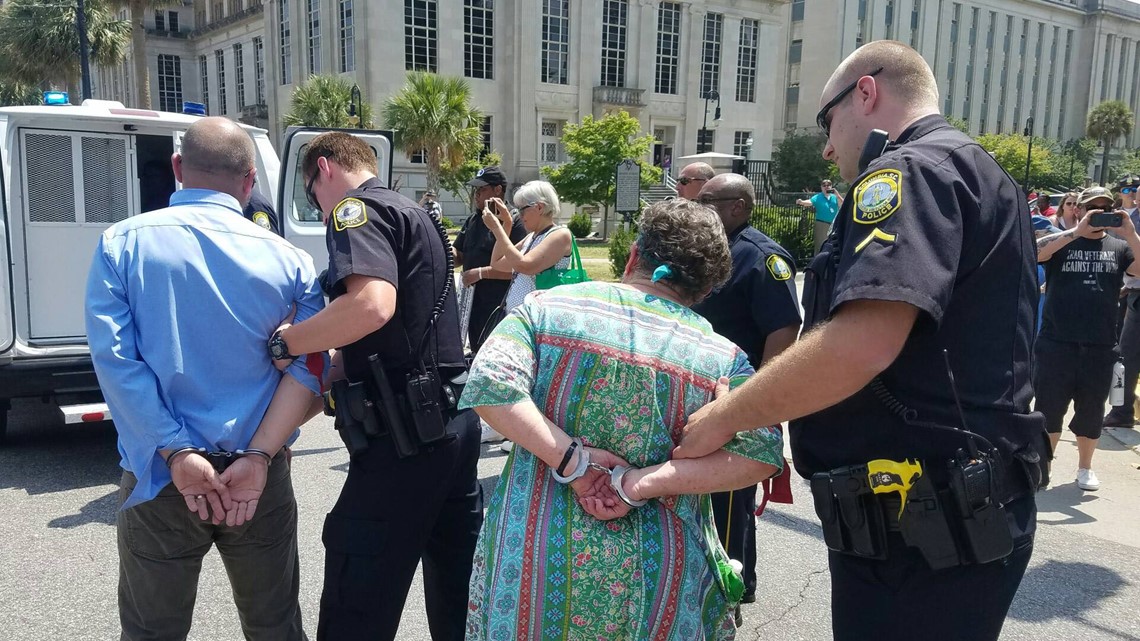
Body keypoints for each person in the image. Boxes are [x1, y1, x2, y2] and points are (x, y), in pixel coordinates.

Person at [675, 41, 1049, 641]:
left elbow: (861, 343)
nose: (827, 146)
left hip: (922, 529)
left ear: (867, 93)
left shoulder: (909, 172)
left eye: (827, 121)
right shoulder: (969, 167)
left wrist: (725, 416)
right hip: (942, 517)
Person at [461, 199, 785, 640]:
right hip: (660, 579)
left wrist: (574, 462)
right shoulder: (723, 359)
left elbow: (490, 386)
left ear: (634, 256)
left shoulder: (545, 310)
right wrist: (642, 483)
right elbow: (763, 456)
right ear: (707, 290)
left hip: (532, 562)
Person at [85, 117, 326, 641]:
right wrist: (259, 455)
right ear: (249, 181)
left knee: (152, 632)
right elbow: (310, 369)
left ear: (177, 169)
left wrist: (176, 452)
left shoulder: (120, 244)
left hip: (161, 478)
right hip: (259, 479)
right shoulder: (292, 261)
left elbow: (116, 362)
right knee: (275, 629)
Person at [276, 132, 481, 641]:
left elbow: (371, 306)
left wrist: (290, 343)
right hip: (450, 418)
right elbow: (404, 328)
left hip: (404, 435)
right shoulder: (413, 213)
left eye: (310, 193)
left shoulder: (354, 211)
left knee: (358, 591)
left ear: (323, 168)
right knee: (458, 585)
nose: (318, 208)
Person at [692, 173, 801, 615]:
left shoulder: (761, 258)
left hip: (737, 399)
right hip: (701, 396)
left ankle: (733, 589)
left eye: (707, 200)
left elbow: (784, 330)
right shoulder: (710, 253)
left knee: (729, 504)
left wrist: (755, 401)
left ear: (736, 206)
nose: (698, 207)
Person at [1035, 186, 1140, 493]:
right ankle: (1045, 466)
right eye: (1092, 208)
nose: (1099, 213)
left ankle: (1085, 467)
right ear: (1078, 210)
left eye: (1105, 207)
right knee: (1048, 409)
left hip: (1100, 345)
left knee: (1091, 410)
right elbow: (1036, 252)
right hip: (1057, 341)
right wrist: (1076, 231)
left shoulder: (1119, 247)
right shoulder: (1062, 242)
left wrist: (1130, 232)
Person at [478, 179, 573, 450]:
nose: (520, 214)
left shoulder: (560, 235)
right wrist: (505, 227)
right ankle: (510, 432)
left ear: (540, 207)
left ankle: (527, 438)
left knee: (537, 383)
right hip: (524, 319)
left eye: (523, 209)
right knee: (519, 377)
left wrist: (498, 230)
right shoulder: (534, 236)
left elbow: (526, 265)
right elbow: (498, 264)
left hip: (545, 323)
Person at [453, 166, 527, 355]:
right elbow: (459, 255)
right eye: (475, 190)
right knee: (477, 354)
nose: (476, 195)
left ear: (497, 190)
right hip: (473, 305)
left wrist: (480, 273)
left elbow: (519, 267)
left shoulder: (515, 221)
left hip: (498, 305)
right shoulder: (474, 219)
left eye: (482, 189)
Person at [1107, 176, 1140, 428]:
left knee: (1128, 356)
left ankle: (1122, 413)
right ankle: (1122, 412)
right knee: (1126, 356)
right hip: (1133, 293)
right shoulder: (1132, 220)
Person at [796, 179, 843, 254]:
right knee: (821, 245)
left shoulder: (834, 197)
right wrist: (801, 202)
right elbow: (809, 202)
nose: (826, 187)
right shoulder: (817, 197)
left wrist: (837, 195)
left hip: (833, 224)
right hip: (822, 224)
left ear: (831, 186)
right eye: (824, 185)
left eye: (828, 185)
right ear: (821, 187)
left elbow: (843, 205)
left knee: (833, 245)